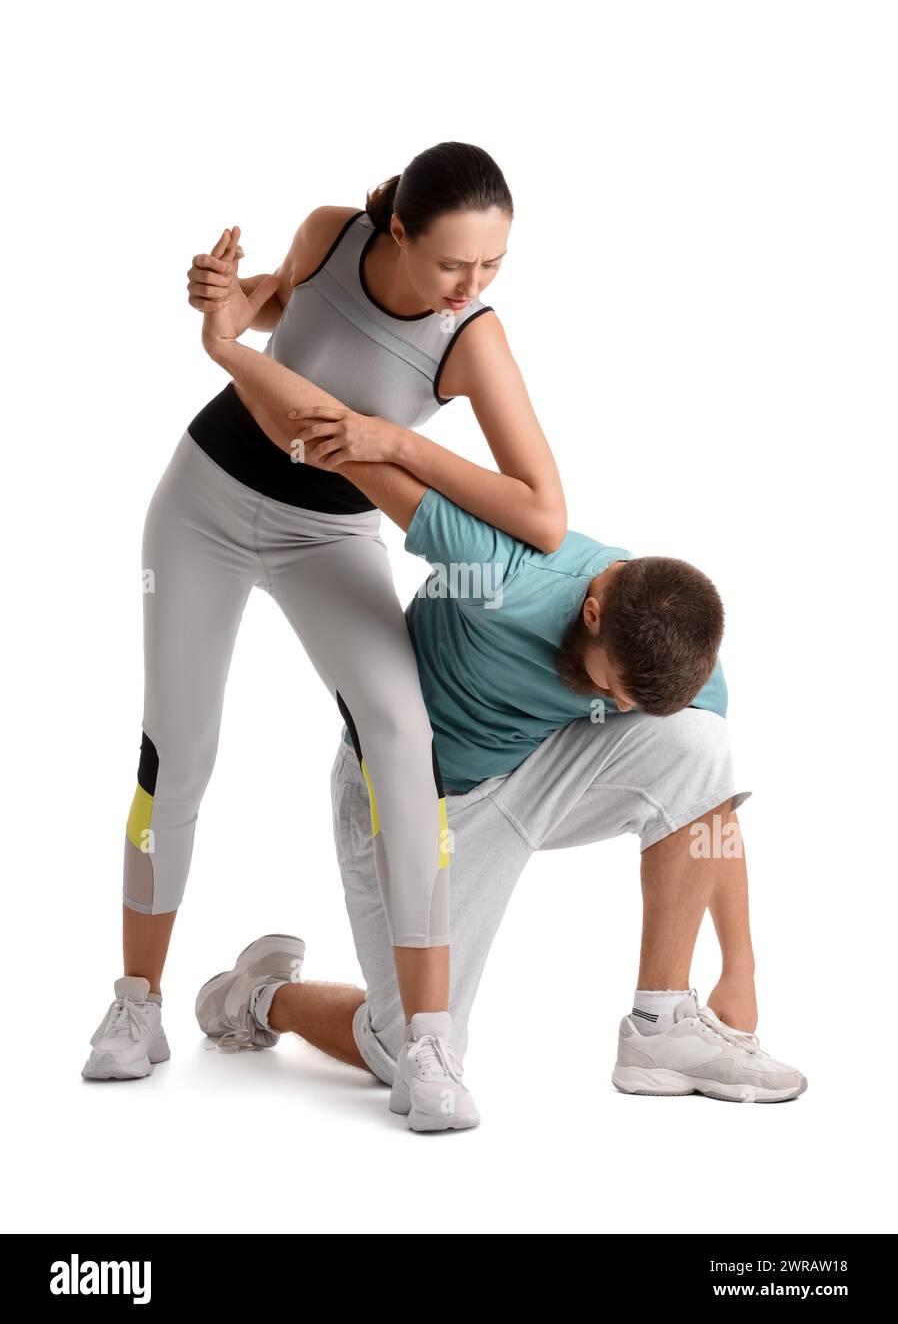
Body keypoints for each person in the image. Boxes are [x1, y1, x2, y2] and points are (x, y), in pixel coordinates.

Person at [82, 144, 567, 1134]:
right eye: (450, 266)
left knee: (402, 735)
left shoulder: (469, 338)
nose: (469, 288)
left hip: (329, 533)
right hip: (203, 503)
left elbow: (543, 515)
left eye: (491, 268)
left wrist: (399, 442)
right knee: (175, 748)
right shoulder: (329, 231)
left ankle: (426, 1043)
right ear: (396, 231)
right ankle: (137, 1006)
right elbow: (278, 308)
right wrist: (227, 295)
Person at [190, 450, 807, 1124]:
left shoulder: (677, 668)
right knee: (406, 1048)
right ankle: (263, 996)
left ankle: (661, 1027)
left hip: (531, 774)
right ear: (594, 613)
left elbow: (708, 806)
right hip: (407, 800)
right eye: (612, 690)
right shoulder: (504, 580)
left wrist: (740, 971)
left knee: (700, 745)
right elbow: (389, 475)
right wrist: (352, 429)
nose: (620, 710)